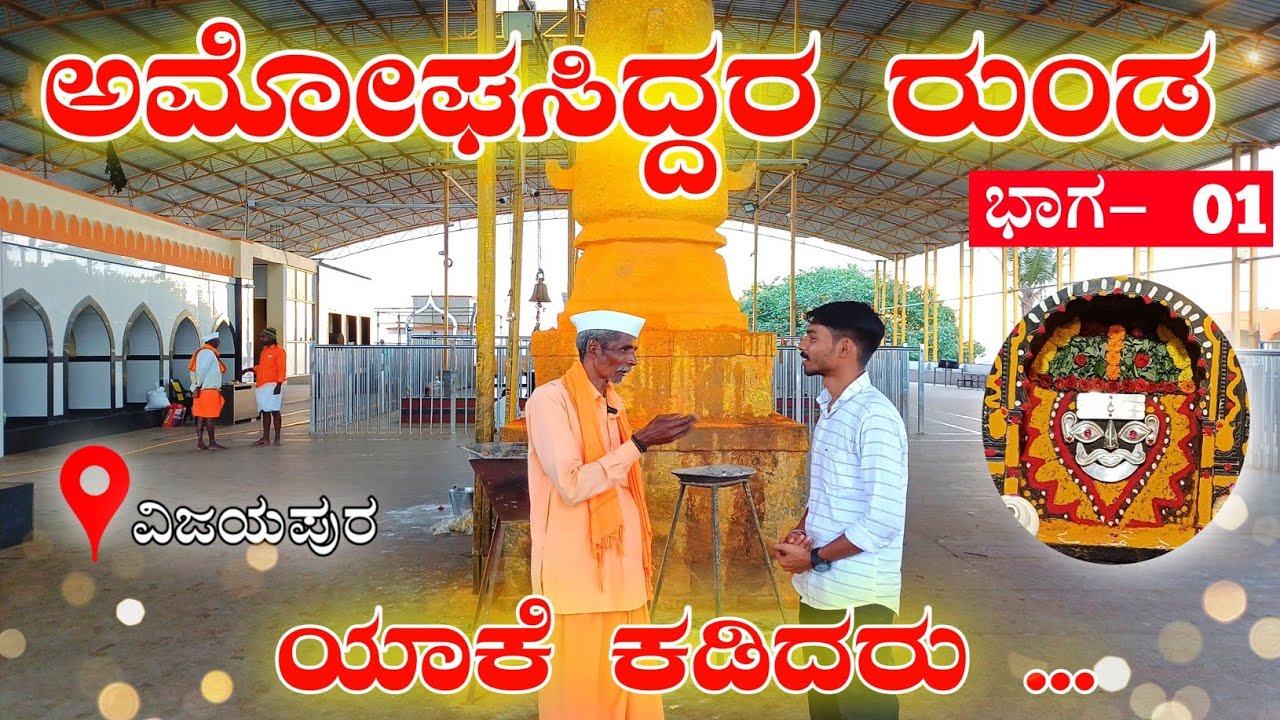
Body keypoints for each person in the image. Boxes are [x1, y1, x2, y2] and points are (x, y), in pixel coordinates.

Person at [524, 309, 696, 720]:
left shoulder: (611, 402)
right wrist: (639, 443)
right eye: (625, 350)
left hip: (622, 568)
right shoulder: (550, 401)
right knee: (581, 686)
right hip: (578, 571)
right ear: (594, 349)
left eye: (634, 351)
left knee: (628, 674)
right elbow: (572, 484)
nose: (632, 360)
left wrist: (637, 443)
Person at [771, 301, 909, 720]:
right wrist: (802, 532)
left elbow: (882, 521)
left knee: (865, 706)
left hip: (859, 598)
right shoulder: (832, 409)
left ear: (845, 348)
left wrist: (814, 557)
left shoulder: (875, 418)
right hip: (819, 589)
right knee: (824, 702)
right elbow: (827, 492)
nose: (802, 345)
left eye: (813, 337)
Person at [189, 332, 227, 450]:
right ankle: (212, 443)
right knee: (210, 417)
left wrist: (196, 386)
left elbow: (195, 371)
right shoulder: (208, 353)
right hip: (208, 390)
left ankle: (200, 442)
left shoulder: (202, 352)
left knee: (201, 417)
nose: (219, 342)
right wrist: (198, 385)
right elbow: (202, 370)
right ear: (211, 342)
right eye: (217, 340)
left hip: (202, 389)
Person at [249, 327, 287, 446]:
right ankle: (265, 438)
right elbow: (263, 367)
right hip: (261, 385)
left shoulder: (279, 351)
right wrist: (250, 369)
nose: (261, 339)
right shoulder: (264, 350)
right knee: (265, 411)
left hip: (273, 385)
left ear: (271, 338)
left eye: (264, 337)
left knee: (275, 411)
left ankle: (277, 438)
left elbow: (282, 369)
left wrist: (279, 385)